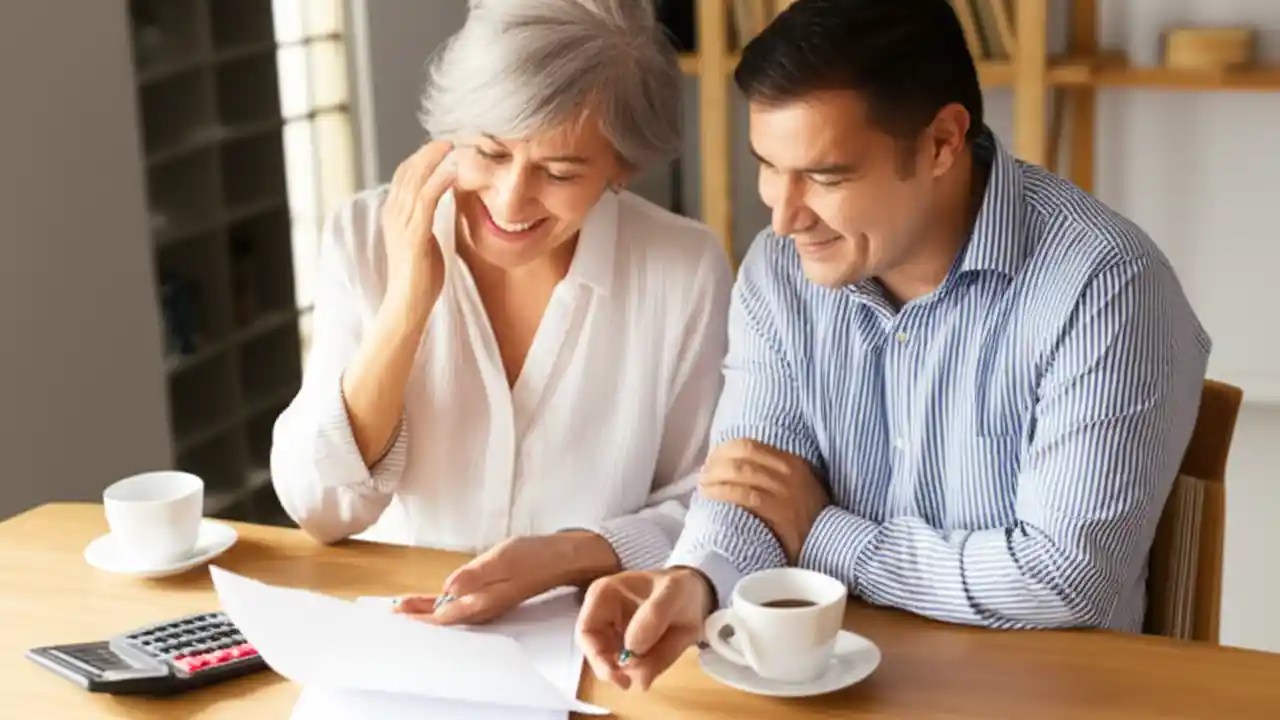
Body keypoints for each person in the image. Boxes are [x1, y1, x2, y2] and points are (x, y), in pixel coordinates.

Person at [577, 0, 1211, 691]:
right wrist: (694, 579)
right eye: (767, 164)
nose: (783, 215)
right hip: (831, 687)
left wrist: (823, 533)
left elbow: (1066, 580)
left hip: (1040, 694)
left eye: (826, 176)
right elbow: (752, 486)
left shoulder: (1104, 287)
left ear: (942, 142)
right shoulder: (782, 270)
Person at [271, 0, 732, 626]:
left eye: (560, 171)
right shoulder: (363, 236)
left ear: (620, 168)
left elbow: (707, 502)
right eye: (488, 154)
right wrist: (408, 303)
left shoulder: (682, 269)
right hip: (406, 639)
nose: (511, 199)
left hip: (591, 642)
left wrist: (567, 556)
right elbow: (317, 506)